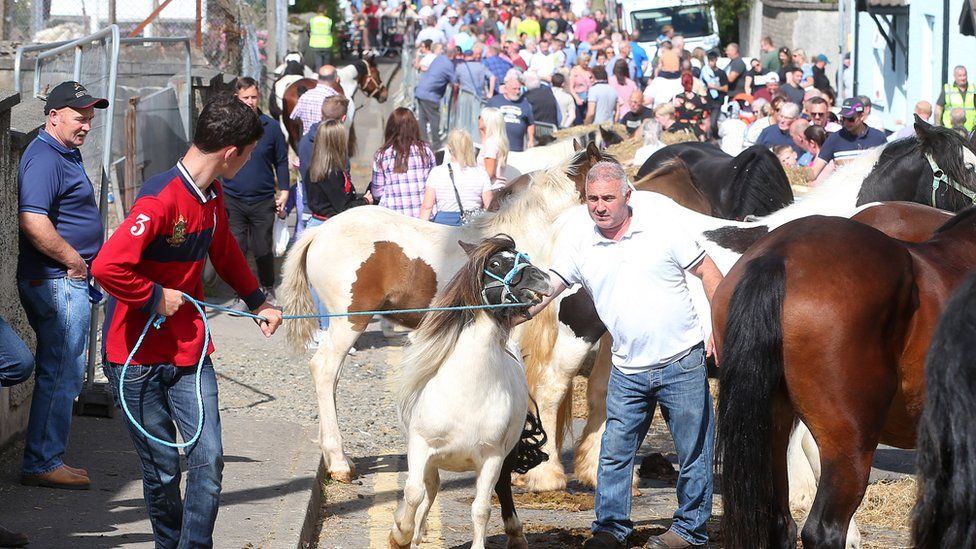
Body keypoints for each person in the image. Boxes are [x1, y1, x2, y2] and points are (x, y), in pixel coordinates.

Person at [91, 94, 283, 548]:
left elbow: (223, 250)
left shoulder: (213, 193)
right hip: (134, 360)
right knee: (160, 473)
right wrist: (153, 297)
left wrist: (257, 301)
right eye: (252, 152)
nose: (253, 159)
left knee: (208, 461)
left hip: (190, 352)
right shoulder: (159, 199)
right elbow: (106, 266)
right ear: (231, 153)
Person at [519, 161, 722, 549]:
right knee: (614, 454)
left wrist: (720, 325)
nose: (600, 206)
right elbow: (548, 288)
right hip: (628, 369)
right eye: (592, 198)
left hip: (681, 361)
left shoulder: (662, 230)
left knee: (694, 451)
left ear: (627, 196)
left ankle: (688, 531)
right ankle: (611, 529)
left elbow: (710, 273)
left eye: (608, 197)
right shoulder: (582, 245)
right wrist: (510, 311)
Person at [17, 81, 109, 491]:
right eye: (79, 117)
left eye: (90, 118)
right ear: (53, 116)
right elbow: (33, 220)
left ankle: (48, 457)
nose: (87, 125)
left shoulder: (62, 153)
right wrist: (74, 261)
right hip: (56, 279)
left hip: (63, 279)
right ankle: (42, 462)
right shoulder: (44, 157)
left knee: (64, 370)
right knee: (61, 372)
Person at [222, 78, 289, 305]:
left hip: (262, 200)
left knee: (262, 249)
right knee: (237, 248)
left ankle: (267, 287)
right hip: (233, 198)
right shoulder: (229, 126)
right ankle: (239, 293)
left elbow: (281, 161)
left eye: (253, 97)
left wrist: (285, 190)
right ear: (236, 98)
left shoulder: (270, 128)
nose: (250, 102)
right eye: (245, 98)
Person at [371, 107, 436, 217]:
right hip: (423, 216)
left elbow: (377, 192)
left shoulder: (382, 155)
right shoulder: (426, 152)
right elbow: (433, 185)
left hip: (393, 217)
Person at [419, 130, 492, 225]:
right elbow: (489, 206)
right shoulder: (481, 173)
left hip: (443, 226)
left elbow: (427, 207)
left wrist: (421, 228)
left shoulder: (437, 173)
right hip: (472, 226)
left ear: (449, 147)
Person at [807, 98, 887, 181]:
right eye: (843, 119)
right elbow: (814, 172)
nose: (846, 123)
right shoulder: (834, 139)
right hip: (844, 191)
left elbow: (888, 169)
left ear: (862, 116)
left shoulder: (878, 137)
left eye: (850, 119)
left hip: (871, 191)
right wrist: (795, 176)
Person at [415, 47, 456, 150]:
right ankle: (436, 145)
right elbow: (454, 81)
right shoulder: (449, 65)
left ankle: (423, 143)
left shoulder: (439, 58)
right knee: (434, 119)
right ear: (453, 56)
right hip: (431, 95)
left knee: (422, 119)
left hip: (421, 90)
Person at [487, 70, 535, 152]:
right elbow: (482, 120)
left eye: (519, 89)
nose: (517, 92)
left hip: (516, 149)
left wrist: (531, 140)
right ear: (506, 89)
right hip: (496, 148)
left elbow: (530, 123)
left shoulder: (525, 103)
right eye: (514, 89)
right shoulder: (494, 101)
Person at [290, 64, 339, 137]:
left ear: (318, 78)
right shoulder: (336, 100)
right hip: (327, 143)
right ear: (337, 80)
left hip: (307, 142)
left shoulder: (305, 96)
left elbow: (293, 117)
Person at [478, 107, 510, 189]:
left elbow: (489, 173)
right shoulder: (496, 140)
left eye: (480, 117)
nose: (479, 119)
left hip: (490, 188)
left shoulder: (491, 143)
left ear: (488, 121)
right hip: (497, 187)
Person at [936, 66, 975, 131]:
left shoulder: (973, 88)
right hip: (951, 130)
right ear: (954, 76)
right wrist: (937, 126)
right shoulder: (947, 89)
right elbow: (938, 108)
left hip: (970, 130)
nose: (963, 78)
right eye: (960, 76)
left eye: (964, 75)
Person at [308, 4, 334, 69]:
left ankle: (318, 77)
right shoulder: (328, 21)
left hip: (316, 45)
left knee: (318, 65)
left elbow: (309, 31)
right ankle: (327, 77)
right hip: (326, 45)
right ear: (325, 11)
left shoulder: (313, 20)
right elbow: (331, 31)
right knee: (326, 66)